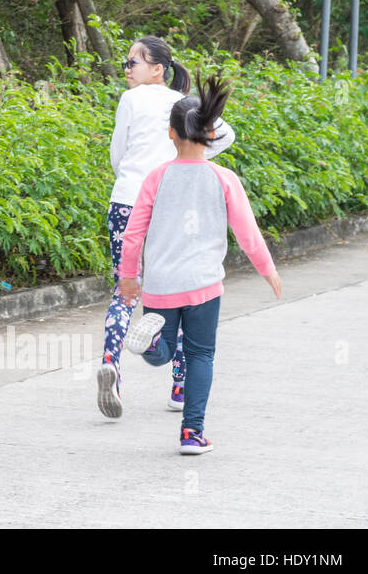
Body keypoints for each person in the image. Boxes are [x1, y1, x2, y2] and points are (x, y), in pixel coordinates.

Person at [118, 75, 282, 454]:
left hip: (160, 282)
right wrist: (268, 271)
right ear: (211, 133)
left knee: (165, 350)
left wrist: (129, 278)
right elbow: (248, 234)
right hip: (203, 284)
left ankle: (152, 344)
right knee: (200, 354)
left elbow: (133, 233)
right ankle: (191, 433)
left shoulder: (155, 177)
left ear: (170, 134)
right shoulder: (224, 178)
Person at [96, 36, 236, 419]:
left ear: (158, 68)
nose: (127, 69)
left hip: (127, 199)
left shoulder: (132, 100)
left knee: (124, 289)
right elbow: (226, 134)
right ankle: (179, 385)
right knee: (177, 290)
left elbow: (117, 153)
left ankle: (112, 365)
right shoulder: (182, 104)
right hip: (169, 203)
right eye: (125, 63)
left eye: (133, 63)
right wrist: (190, 155)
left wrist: (131, 174)